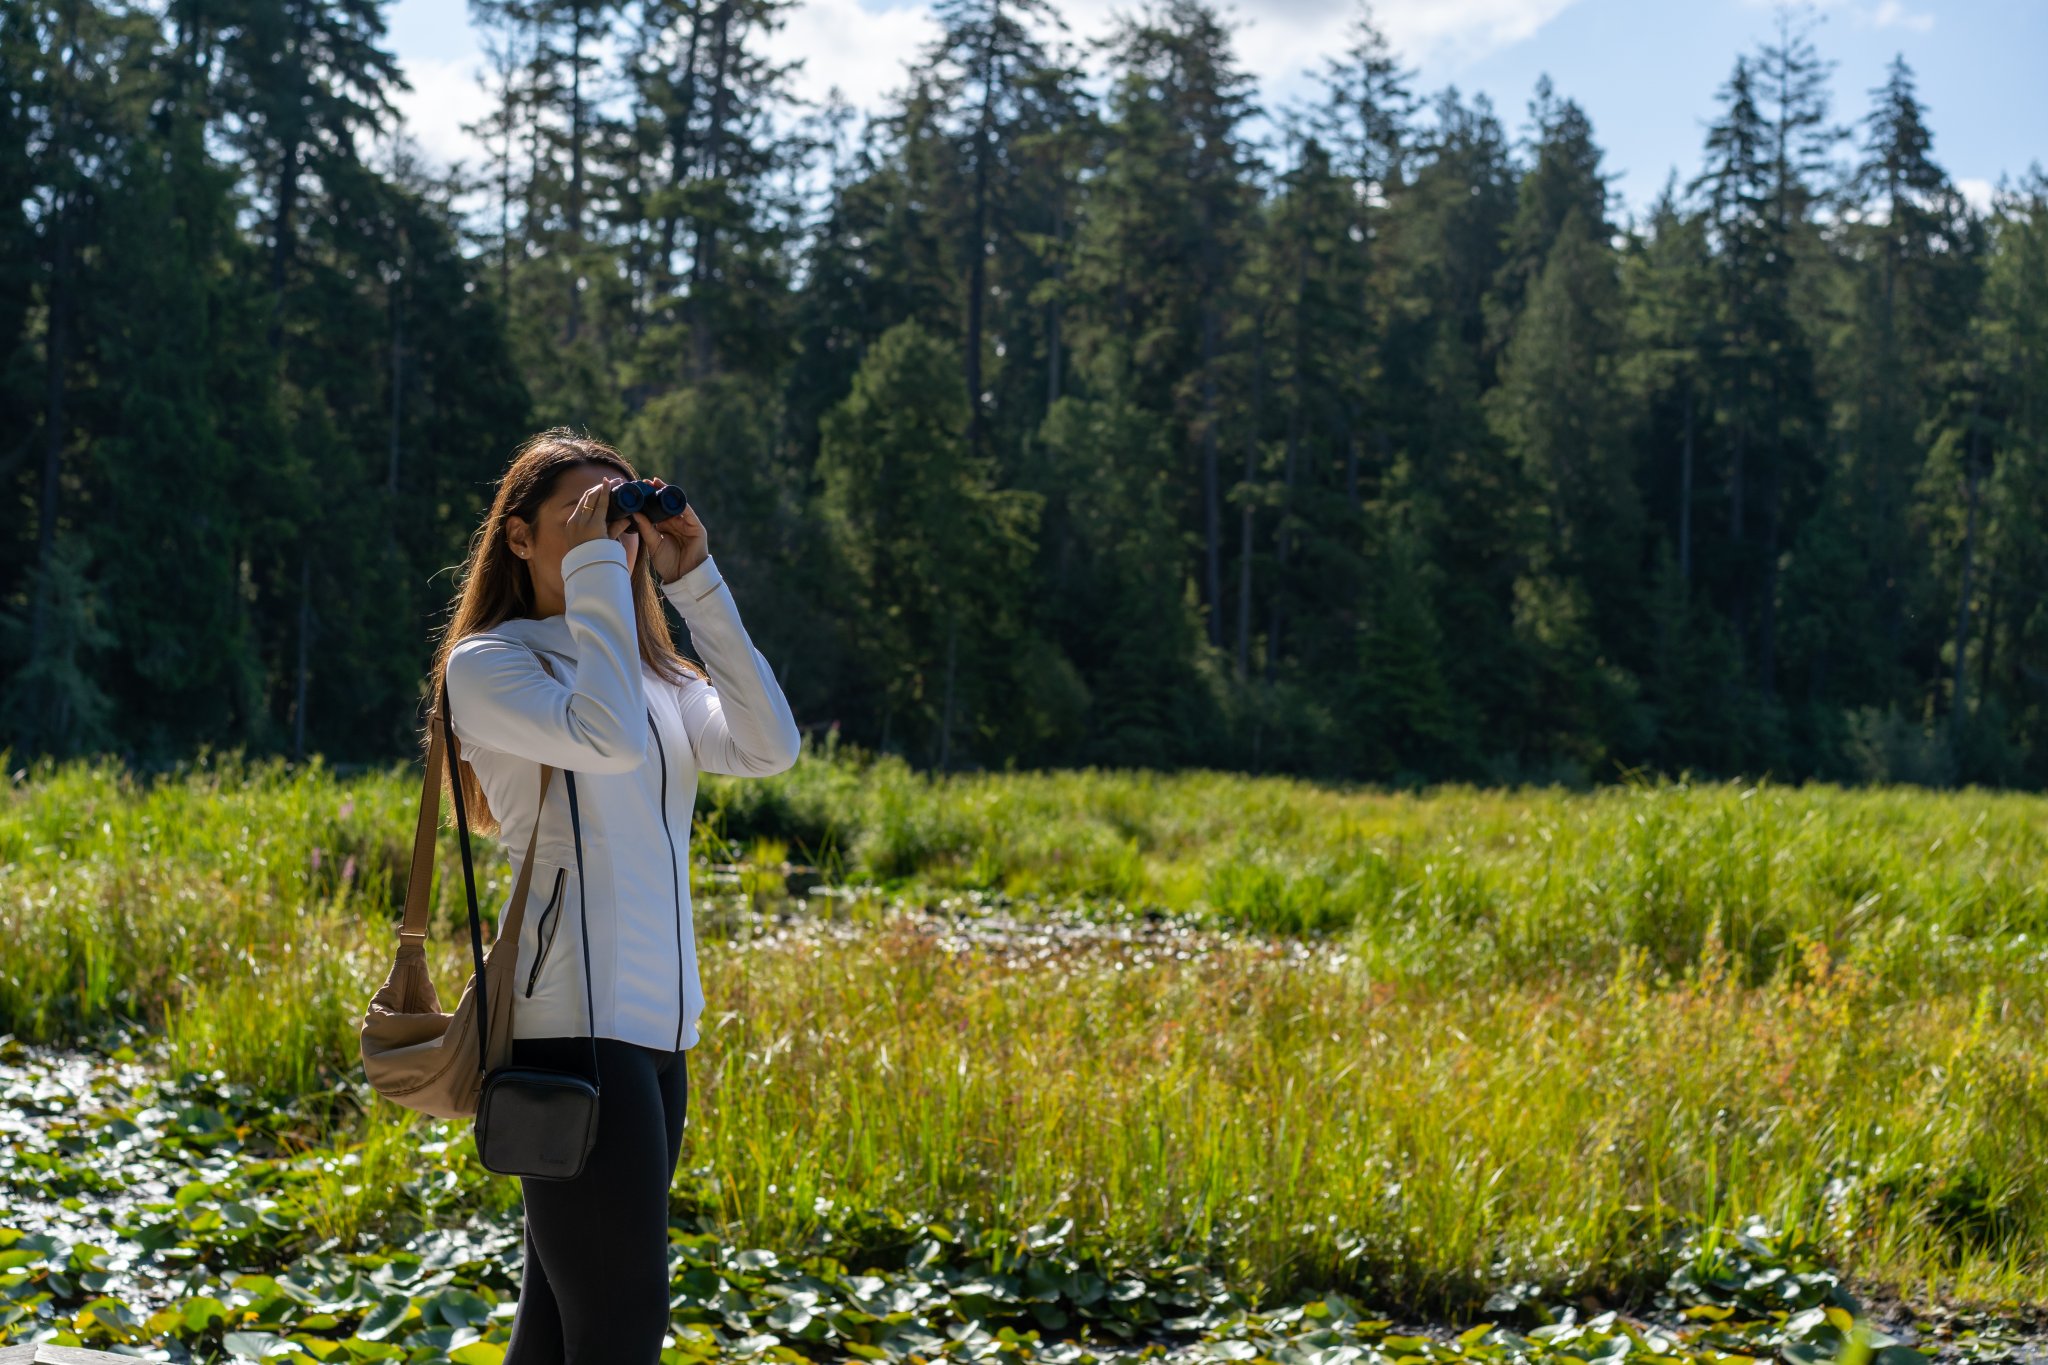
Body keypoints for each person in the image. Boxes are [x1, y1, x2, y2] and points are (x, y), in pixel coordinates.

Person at [431, 428, 801, 1363]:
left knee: (560, 1324)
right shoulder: (490, 663)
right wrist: (601, 572)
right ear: (520, 536)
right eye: (584, 516)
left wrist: (696, 582)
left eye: (623, 516)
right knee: (621, 1321)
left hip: (661, 1033)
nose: (614, 534)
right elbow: (606, 739)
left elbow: (770, 746)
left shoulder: (653, 677)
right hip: (571, 1026)